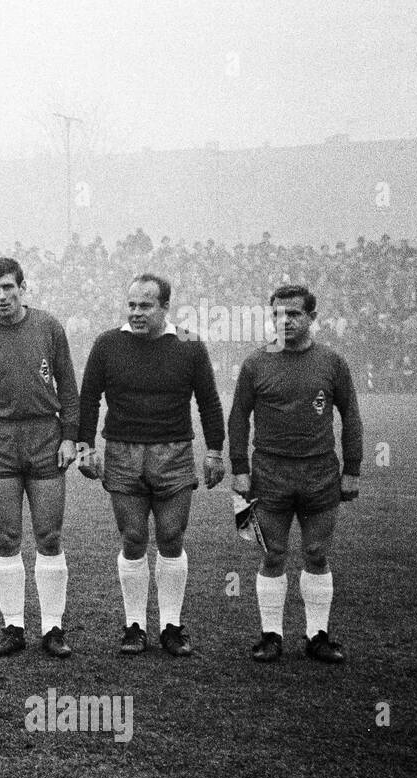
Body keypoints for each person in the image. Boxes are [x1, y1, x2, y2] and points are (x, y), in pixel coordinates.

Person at [76, 273, 225, 657]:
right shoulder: (108, 343)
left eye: (145, 306)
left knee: (172, 537)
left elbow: (208, 400)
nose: (136, 313)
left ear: (164, 308)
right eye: (132, 305)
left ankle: (172, 626)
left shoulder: (189, 344)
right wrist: (84, 447)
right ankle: (135, 625)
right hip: (123, 453)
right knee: (133, 538)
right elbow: (89, 397)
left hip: (173, 453)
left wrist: (214, 451)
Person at [0, 257, 79, 658]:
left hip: (45, 434)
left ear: (23, 287)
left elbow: (70, 389)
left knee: (49, 535)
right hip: (0, 440)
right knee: (7, 537)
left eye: (8, 287)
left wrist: (70, 437)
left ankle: (53, 628)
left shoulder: (49, 327)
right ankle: (13, 627)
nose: (1, 296)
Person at [229, 284, 362, 663]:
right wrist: (239, 468)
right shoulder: (256, 362)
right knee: (272, 554)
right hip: (270, 473)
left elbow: (350, 415)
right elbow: (239, 416)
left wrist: (352, 469)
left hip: (320, 472)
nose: (284, 321)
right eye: (277, 314)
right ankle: (270, 635)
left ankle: (317, 635)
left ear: (312, 318)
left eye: (293, 314)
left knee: (317, 553)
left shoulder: (332, 362)